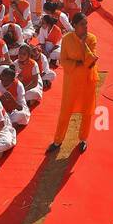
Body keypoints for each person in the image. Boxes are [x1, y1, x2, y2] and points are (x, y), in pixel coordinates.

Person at [47, 12, 99, 154]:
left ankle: (83, 139)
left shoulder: (91, 39)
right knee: (65, 112)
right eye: (82, 24)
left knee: (87, 112)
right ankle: (58, 141)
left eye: (86, 23)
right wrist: (78, 62)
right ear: (74, 25)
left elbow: (91, 60)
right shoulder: (67, 39)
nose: (86, 26)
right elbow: (63, 60)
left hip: (88, 81)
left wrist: (83, 45)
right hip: (72, 82)